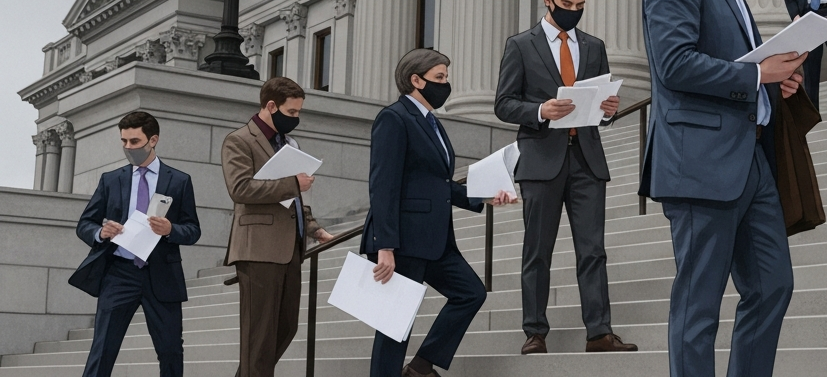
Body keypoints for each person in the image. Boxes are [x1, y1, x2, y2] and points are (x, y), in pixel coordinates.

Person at [639, 0, 807, 377]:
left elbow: (734, 64)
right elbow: (674, 63)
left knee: (773, 285)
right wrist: (758, 75)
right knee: (699, 305)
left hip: (751, 158)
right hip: (700, 163)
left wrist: (776, 79)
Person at [494, 0, 637, 355]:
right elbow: (504, 104)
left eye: (580, 4)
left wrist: (609, 109)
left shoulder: (594, 47)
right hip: (541, 160)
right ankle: (535, 333)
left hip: (587, 160)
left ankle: (600, 332)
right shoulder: (520, 45)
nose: (573, 9)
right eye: (566, 3)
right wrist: (541, 111)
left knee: (593, 250)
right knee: (537, 252)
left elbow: (602, 103)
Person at [361, 49, 517, 377]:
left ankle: (420, 365)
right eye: (440, 78)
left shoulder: (431, 122)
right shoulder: (394, 118)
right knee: (394, 327)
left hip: (435, 239)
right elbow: (383, 185)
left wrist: (483, 196)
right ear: (415, 80)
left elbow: (437, 184)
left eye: (446, 78)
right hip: (402, 241)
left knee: (470, 293)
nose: (446, 85)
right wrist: (384, 246)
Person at [70, 112, 201, 377]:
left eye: (134, 141)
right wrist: (101, 232)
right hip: (119, 273)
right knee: (103, 348)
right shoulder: (111, 179)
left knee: (171, 350)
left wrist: (170, 229)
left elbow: (193, 230)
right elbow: (85, 224)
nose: (128, 147)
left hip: (162, 274)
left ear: (153, 140)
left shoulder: (179, 180)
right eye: (124, 141)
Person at [221, 76, 334, 377]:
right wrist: (292, 184)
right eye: (292, 112)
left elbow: (294, 200)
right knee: (259, 337)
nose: (296, 118)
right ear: (271, 106)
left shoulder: (289, 144)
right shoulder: (239, 140)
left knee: (285, 328)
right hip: (258, 249)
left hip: (290, 248)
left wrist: (313, 228)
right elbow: (240, 189)